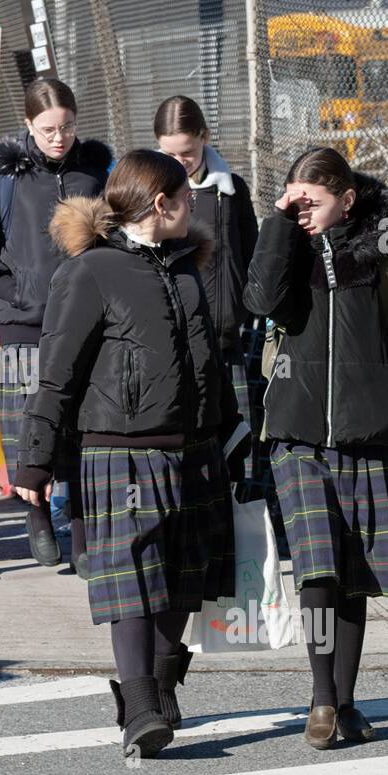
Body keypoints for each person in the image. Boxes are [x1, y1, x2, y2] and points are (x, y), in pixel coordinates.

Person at [14, 150, 246, 759]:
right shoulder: (89, 271)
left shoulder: (189, 269)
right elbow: (57, 374)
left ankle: (161, 687)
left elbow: (209, 364)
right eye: (185, 196)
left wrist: (233, 436)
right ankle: (140, 709)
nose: (194, 201)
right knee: (135, 583)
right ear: (161, 204)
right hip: (121, 451)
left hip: (196, 448)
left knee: (183, 581)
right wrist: (35, 461)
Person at [243, 146, 388, 749]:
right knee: (318, 572)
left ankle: (345, 699)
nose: (302, 212)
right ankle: (322, 700)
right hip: (297, 437)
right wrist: (278, 223)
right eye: (293, 200)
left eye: (313, 202)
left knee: (355, 576)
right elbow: (260, 301)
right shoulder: (286, 248)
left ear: (348, 200)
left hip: (366, 438)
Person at [0, 78, 111, 573]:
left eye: (67, 126)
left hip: (86, 320)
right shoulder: (3, 179)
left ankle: (85, 532)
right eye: (48, 128)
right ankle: (37, 515)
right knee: (28, 424)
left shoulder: (95, 173)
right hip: (24, 323)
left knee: (83, 424)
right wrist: (15, 293)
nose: (59, 137)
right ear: (27, 125)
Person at [154, 95, 266, 502]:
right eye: (169, 153)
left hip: (227, 336)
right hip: (174, 341)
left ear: (205, 137)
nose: (180, 162)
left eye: (188, 151)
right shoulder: (149, 194)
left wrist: (249, 311)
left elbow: (251, 255)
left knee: (240, 434)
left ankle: (247, 515)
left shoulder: (231, 190)